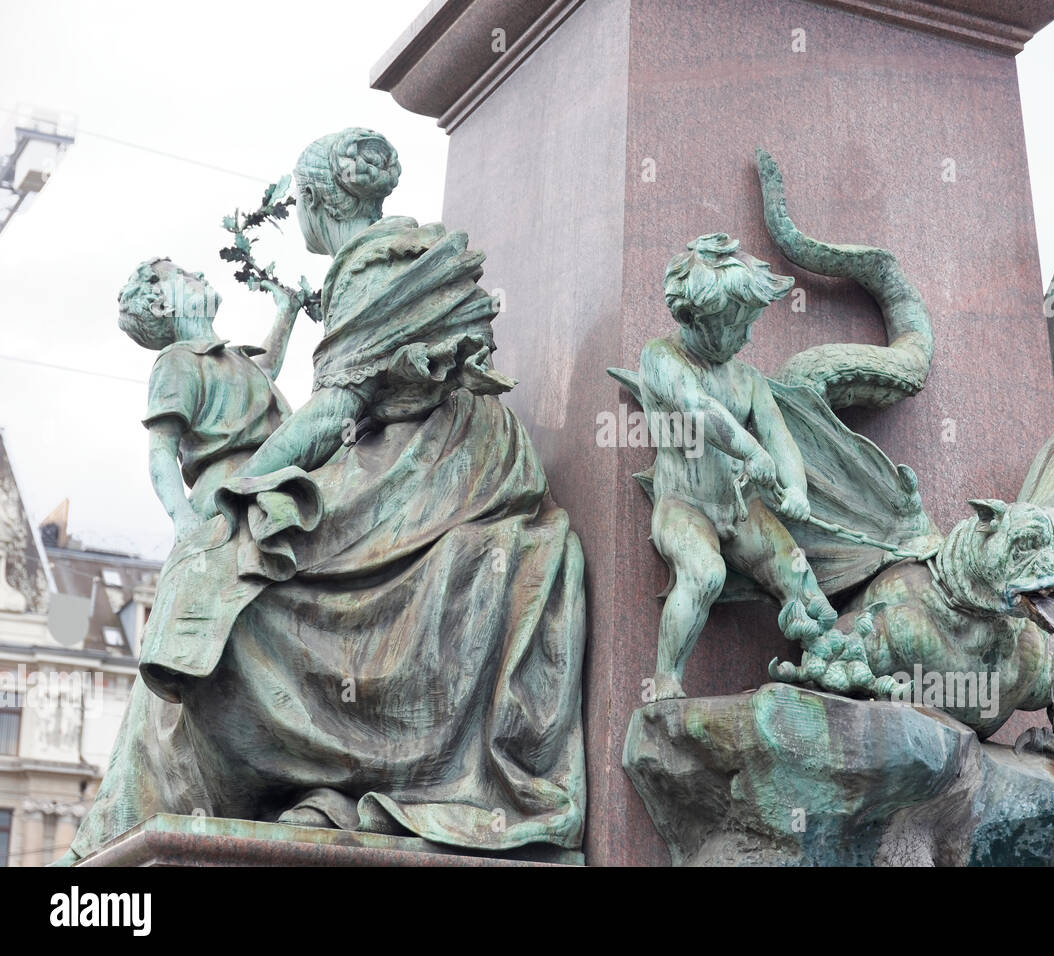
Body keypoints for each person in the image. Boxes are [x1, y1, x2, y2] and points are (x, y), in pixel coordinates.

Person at [61, 128, 586, 864]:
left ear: (310, 204)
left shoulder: (370, 269)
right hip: (440, 455)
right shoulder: (394, 255)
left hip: (434, 467)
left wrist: (243, 486)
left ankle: (205, 792)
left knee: (237, 579)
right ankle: (183, 798)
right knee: (228, 565)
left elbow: (335, 412)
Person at [637, 233, 841, 700]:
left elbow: (779, 436)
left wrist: (796, 490)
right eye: (739, 324)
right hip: (683, 505)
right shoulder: (661, 358)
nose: (748, 337)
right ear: (699, 318)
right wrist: (751, 453)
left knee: (799, 574)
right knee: (706, 572)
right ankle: (667, 678)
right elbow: (697, 407)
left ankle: (830, 665)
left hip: (740, 508)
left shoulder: (748, 378)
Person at [117, 259, 299, 537]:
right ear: (162, 305)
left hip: (273, 474)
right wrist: (182, 516)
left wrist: (286, 312)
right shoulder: (177, 361)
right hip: (228, 493)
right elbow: (161, 449)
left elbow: (263, 371)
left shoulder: (234, 359)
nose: (198, 273)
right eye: (182, 274)